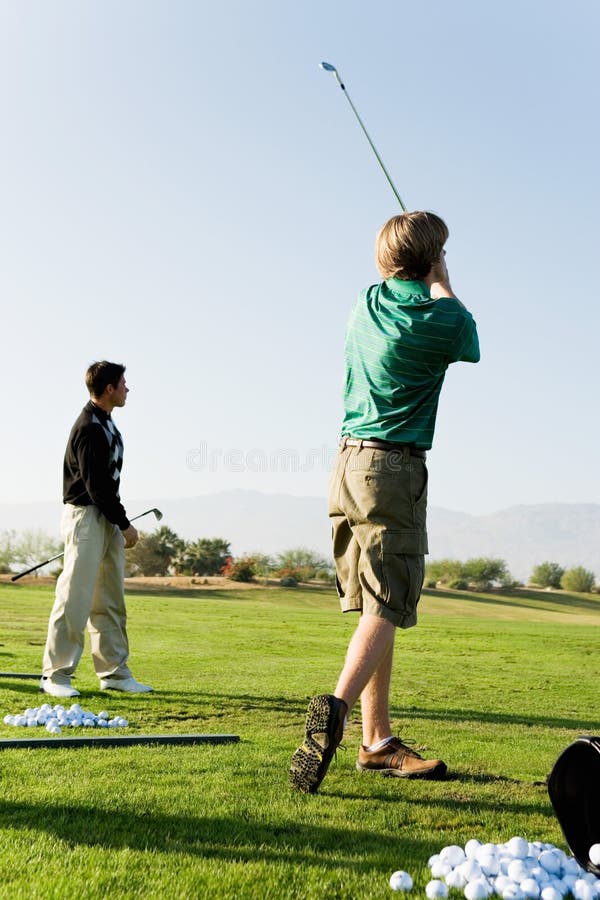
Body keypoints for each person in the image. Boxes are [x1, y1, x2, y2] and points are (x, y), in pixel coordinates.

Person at [290, 211, 480, 793]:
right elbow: (469, 338)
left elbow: (398, 274)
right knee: (389, 602)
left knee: (378, 604)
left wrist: (419, 257)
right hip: (393, 470)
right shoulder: (443, 318)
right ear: (430, 262)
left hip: (346, 465)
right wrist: (441, 274)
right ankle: (337, 710)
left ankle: (378, 741)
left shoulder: (365, 303)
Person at [40, 361, 153, 698]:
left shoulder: (107, 423)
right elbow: (95, 485)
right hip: (87, 517)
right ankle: (56, 675)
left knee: (110, 600)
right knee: (74, 597)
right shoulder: (89, 426)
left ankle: (114, 673)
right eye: (123, 383)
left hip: (104, 517)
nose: (127, 389)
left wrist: (115, 521)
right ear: (109, 389)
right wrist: (124, 523)